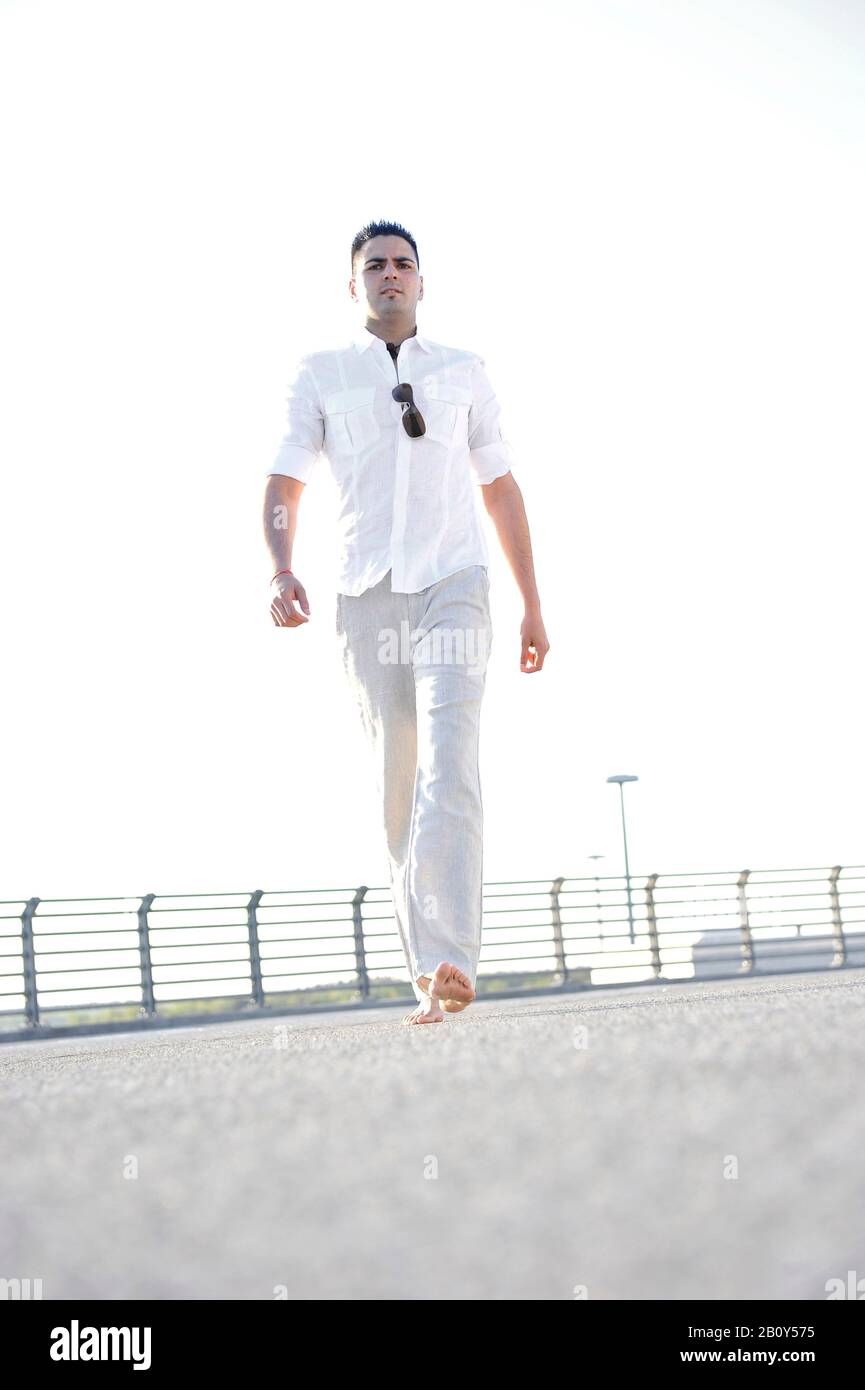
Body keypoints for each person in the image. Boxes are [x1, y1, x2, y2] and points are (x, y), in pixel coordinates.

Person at [263, 220, 550, 1024]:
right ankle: (426, 969)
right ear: (353, 286)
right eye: (375, 267)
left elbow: (498, 485)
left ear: (422, 283)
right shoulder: (319, 375)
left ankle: (454, 954)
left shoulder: (463, 371)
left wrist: (531, 602)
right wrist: (282, 568)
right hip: (366, 597)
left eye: (403, 265)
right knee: (398, 780)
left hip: (453, 584)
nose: (390, 275)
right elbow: (285, 480)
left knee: (449, 759)